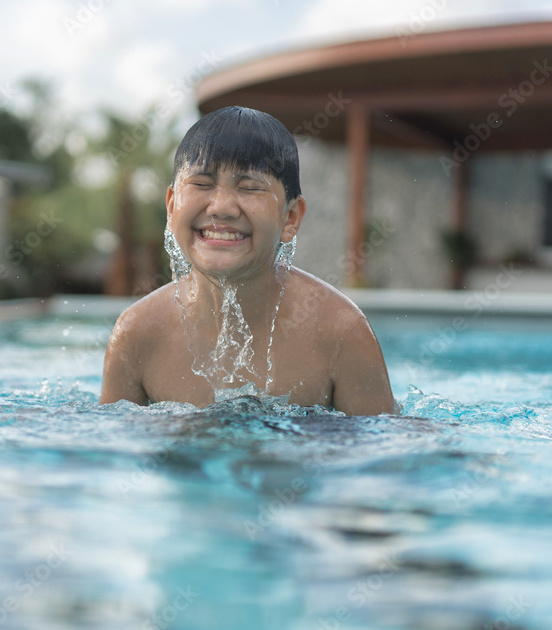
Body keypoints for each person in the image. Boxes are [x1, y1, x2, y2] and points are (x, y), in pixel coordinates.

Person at [99, 106, 395, 415]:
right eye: (201, 184)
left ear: (290, 217)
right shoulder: (136, 333)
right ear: (172, 208)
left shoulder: (341, 333)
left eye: (250, 187)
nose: (222, 208)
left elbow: (380, 454)